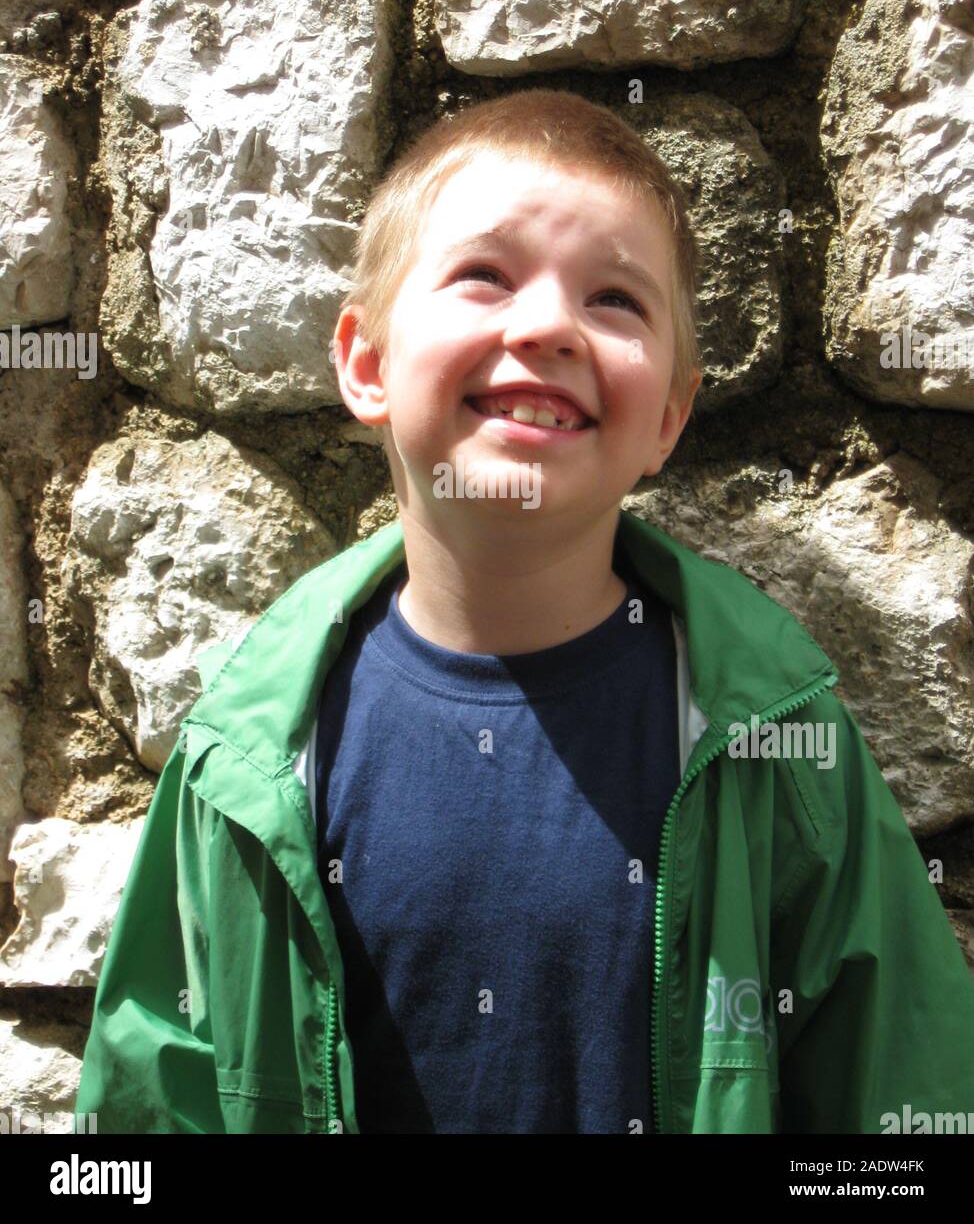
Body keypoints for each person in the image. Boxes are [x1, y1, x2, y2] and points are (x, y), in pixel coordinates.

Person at [74, 89, 974, 1133]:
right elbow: (148, 1108)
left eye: (615, 301)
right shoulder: (244, 762)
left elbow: (901, 1103)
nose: (545, 323)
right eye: (482, 276)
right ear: (366, 363)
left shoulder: (778, 743)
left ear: (668, 418)